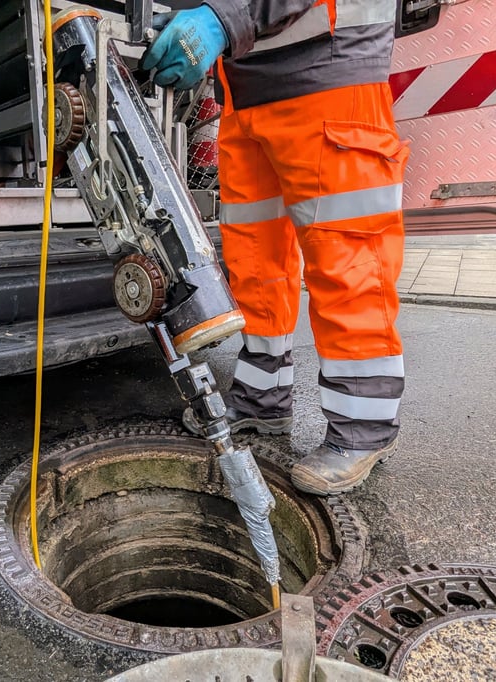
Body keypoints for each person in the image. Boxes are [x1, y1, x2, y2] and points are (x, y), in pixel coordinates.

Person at [141, 0, 407, 496]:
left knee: (346, 261)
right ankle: (263, 401)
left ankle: (363, 428)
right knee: (255, 262)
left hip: (331, 78)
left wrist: (222, 18)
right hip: (245, 97)